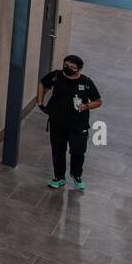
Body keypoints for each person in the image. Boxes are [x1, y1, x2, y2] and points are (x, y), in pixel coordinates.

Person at [38, 54, 103, 190]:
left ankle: (76, 174)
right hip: (58, 122)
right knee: (58, 150)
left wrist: (86, 106)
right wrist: (40, 102)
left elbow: (98, 101)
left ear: (78, 69)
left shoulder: (85, 83)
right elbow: (43, 83)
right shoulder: (56, 76)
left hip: (78, 124)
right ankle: (59, 177)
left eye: (72, 67)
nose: (68, 69)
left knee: (78, 151)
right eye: (66, 66)